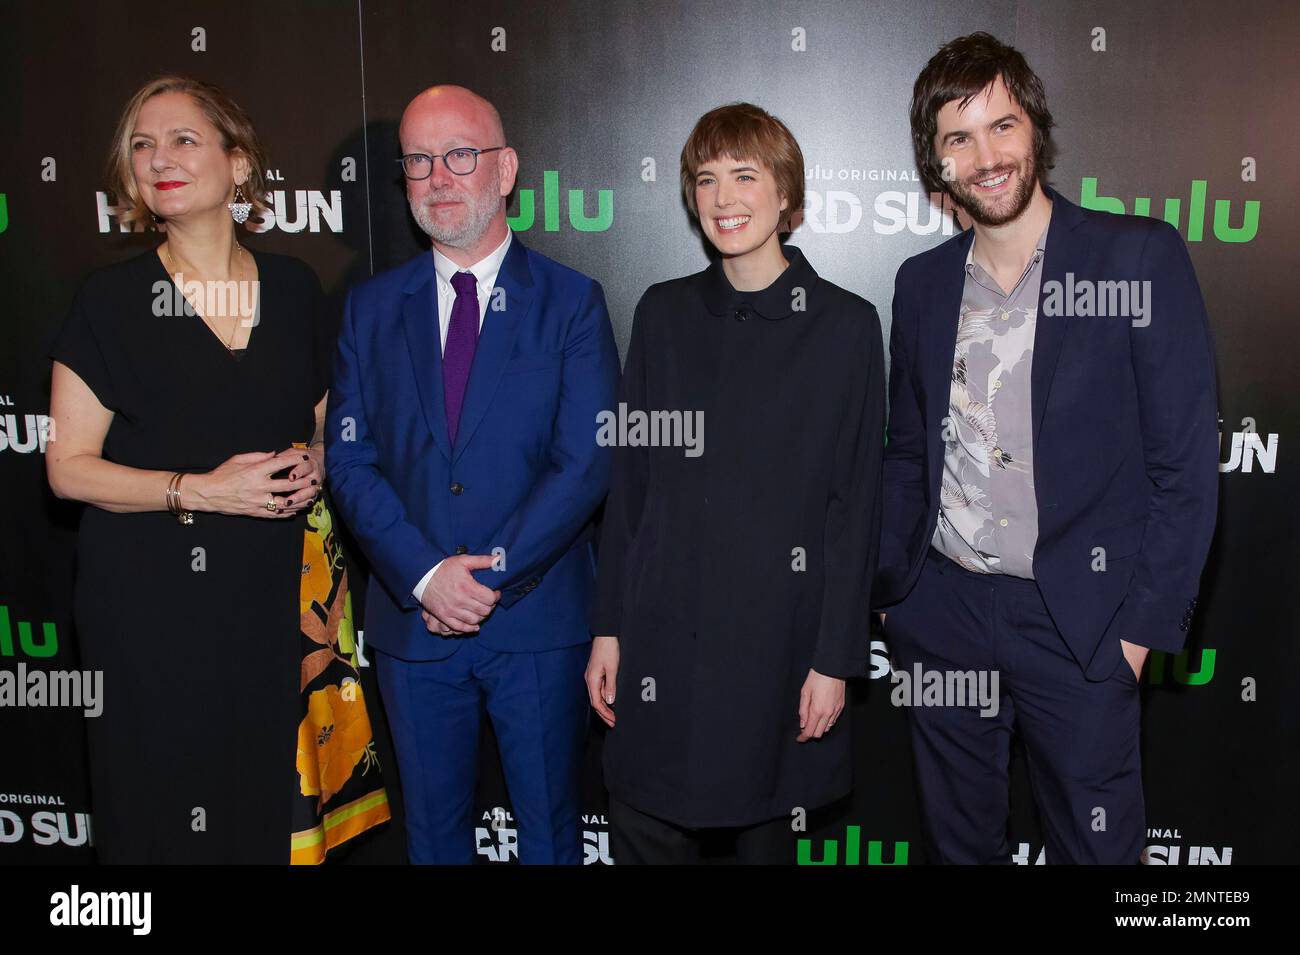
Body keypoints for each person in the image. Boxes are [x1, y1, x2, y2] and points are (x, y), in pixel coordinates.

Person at [875, 33, 1219, 864]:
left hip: (1081, 620)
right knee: (959, 847)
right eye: (959, 137)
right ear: (937, 163)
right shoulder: (921, 283)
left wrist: (1134, 635)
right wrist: (895, 593)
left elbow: (1185, 470)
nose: (986, 154)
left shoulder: (1136, 256)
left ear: (1036, 130)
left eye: (1002, 125)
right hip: (943, 611)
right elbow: (910, 452)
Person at [46, 76, 388, 864]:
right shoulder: (110, 301)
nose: (159, 158)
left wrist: (317, 460)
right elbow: (67, 469)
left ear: (239, 165)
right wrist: (199, 490)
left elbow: (329, 422)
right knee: (162, 806)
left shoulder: (296, 288)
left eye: (182, 140)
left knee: (267, 803)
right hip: (150, 606)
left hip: (272, 597)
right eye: (141, 145)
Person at [326, 85, 619, 864]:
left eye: (459, 154)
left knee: (552, 835)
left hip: (537, 622)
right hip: (410, 621)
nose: (438, 176)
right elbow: (349, 459)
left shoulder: (572, 303)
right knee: (432, 840)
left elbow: (586, 458)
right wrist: (426, 577)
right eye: (419, 160)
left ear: (507, 167)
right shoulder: (369, 310)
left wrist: (486, 575)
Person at [585, 103, 885, 864]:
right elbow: (631, 485)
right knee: (646, 830)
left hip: (781, 652)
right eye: (707, 179)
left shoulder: (846, 326)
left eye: (745, 176)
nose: (724, 198)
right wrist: (609, 626)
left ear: (786, 193)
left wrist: (834, 660)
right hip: (660, 646)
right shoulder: (663, 313)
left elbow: (855, 507)